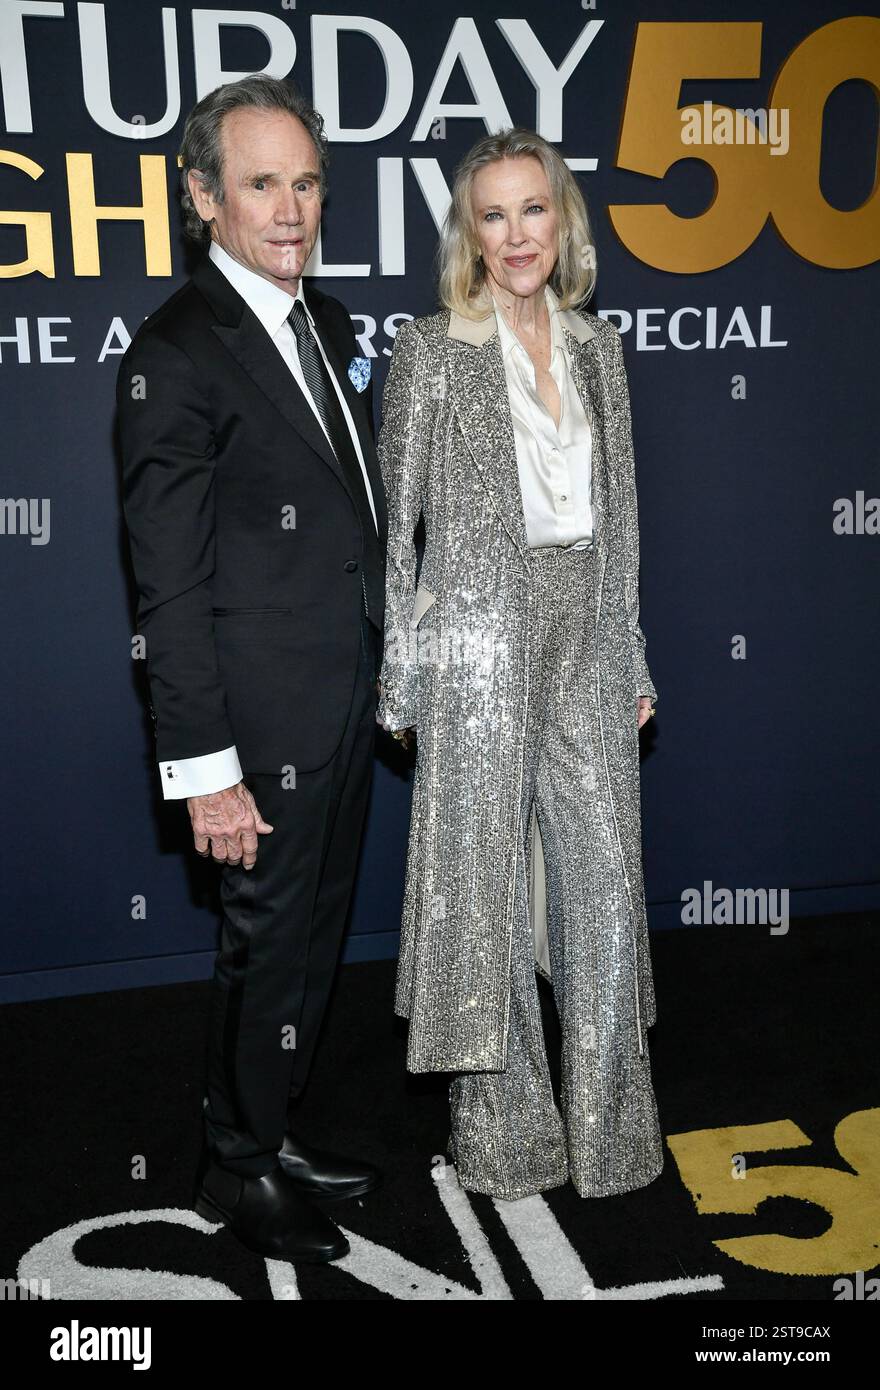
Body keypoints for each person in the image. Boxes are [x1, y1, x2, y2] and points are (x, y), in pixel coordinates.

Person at [117, 74, 387, 1262]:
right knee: (261, 941)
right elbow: (165, 590)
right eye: (262, 183)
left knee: (311, 937)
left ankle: (271, 1130)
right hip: (253, 729)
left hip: (343, 707)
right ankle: (233, 1169)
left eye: (308, 181)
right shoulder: (174, 354)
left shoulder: (322, 325)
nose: (291, 209)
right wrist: (205, 772)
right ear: (202, 197)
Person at [376, 127, 664, 1201]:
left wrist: (631, 646)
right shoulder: (430, 349)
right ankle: (506, 1139)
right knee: (482, 895)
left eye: (531, 210)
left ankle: (612, 1132)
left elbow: (623, 518)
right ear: (470, 232)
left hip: (586, 625)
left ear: (562, 219)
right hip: (476, 645)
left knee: (601, 884)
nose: (513, 235)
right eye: (490, 215)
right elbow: (395, 525)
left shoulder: (599, 347)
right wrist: (403, 675)